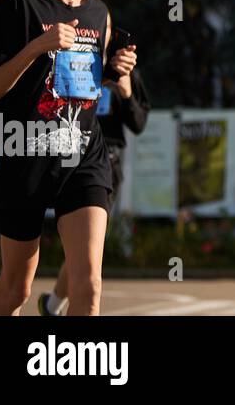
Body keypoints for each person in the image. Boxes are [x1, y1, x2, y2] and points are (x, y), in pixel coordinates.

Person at [0, 0, 137, 316]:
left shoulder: (98, 12)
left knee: (89, 286)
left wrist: (111, 72)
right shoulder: (18, 6)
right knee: (15, 290)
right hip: (25, 156)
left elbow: (77, 87)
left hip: (83, 156)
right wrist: (35, 47)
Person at [38, 33, 150, 316]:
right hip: (66, 152)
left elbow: (138, 123)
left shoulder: (125, 70)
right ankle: (52, 305)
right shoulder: (67, 60)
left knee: (88, 251)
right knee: (84, 251)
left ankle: (53, 306)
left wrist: (125, 93)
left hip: (105, 164)